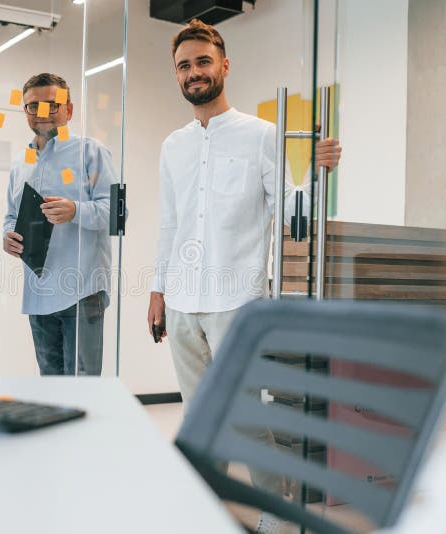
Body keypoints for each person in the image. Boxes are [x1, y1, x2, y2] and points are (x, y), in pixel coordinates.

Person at [146, 20, 341, 533]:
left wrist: (316, 171)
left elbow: (292, 210)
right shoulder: (173, 145)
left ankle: (275, 515)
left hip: (239, 299)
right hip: (184, 300)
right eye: (184, 65)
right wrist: (157, 290)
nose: (194, 72)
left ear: (224, 66)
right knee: (198, 419)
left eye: (202, 62)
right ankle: (207, 509)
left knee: (248, 417)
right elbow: (170, 222)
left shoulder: (262, 135)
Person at [3, 73, 119, 376]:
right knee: (51, 389)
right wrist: (8, 236)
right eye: (32, 106)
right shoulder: (20, 162)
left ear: (69, 110)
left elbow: (118, 215)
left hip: (82, 290)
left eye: (52, 105)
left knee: (82, 390)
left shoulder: (92, 152)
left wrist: (75, 210)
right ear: (24, 111)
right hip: (37, 293)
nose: (42, 113)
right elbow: (10, 215)